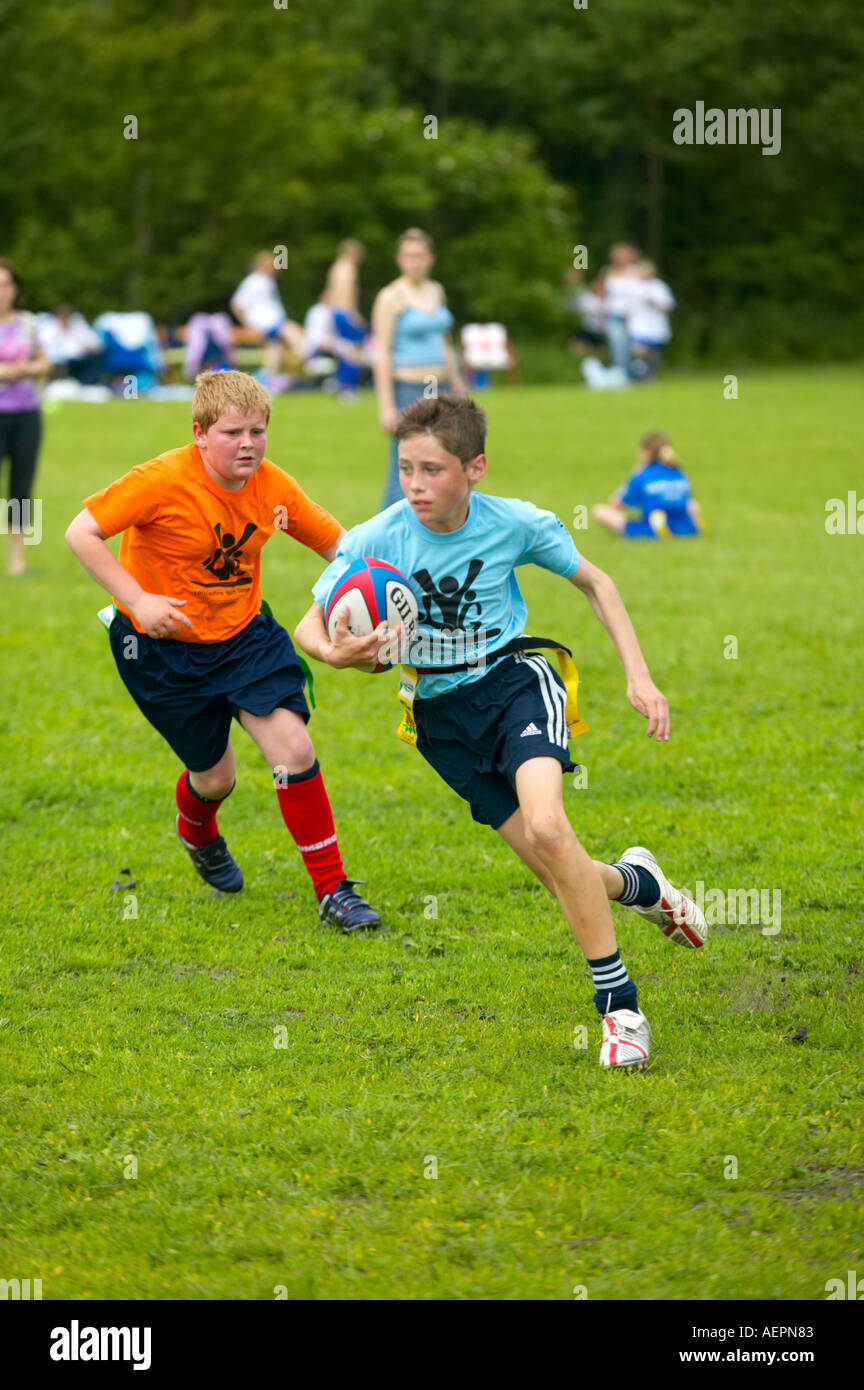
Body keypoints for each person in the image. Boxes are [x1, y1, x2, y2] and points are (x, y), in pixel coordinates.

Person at [294, 394, 708, 1070]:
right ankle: (640, 885)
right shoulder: (378, 538)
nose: (417, 486)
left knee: (551, 830)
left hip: (515, 684)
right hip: (440, 721)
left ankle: (622, 1010)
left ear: (475, 467)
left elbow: (597, 583)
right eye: (406, 469)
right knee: (560, 874)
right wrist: (338, 651)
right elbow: (307, 624)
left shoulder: (515, 523)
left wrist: (639, 676)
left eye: (433, 470)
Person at [64, 370, 380, 932]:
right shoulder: (160, 480)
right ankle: (199, 832)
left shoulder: (273, 487)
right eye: (233, 433)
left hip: (244, 638)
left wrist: (386, 595)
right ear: (200, 433)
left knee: (294, 748)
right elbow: (80, 532)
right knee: (215, 779)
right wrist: (138, 599)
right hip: (159, 649)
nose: (248, 445)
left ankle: (333, 889)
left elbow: (343, 549)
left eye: (258, 432)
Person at [371, 228, 466, 511]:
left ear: (430, 259)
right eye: (409, 256)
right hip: (407, 389)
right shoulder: (390, 297)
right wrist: (386, 405)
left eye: (420, 256)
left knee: (447, 458)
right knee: (406, 464)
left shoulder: (436, 291)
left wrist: (459, 386)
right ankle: (389, 539)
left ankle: (441, 524)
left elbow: (445, 344)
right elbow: (382, 353)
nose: (415, 262)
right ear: (400, 260)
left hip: (440, 388)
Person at [0, 258, 50, 576]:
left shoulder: (28, 324)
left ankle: (17, 563)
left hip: (26, 416)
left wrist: (26, 369)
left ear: (15, 289)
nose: (0, 292)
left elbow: (44, 362)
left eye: (5, 285)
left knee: (21, 490)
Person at [592, 430, 702, 539]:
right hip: (685, 525)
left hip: (649, 527)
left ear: (646, 452)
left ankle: (659, 524)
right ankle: (693, 525)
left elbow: (616, 503)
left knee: (599, 511)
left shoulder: (642, 473)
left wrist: (632, 475)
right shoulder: (678, 471)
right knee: (692, 504)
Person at [230, 252, 304, 375]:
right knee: (294, 333)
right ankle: (311, 360)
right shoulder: (254, 281)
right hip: (267, 322)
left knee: (275, 349)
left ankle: (266, 377)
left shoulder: (266, 281)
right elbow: (237, 304)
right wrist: (247, 324)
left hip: (269, 321)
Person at [321, 238, 367, 400]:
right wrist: (353, 313)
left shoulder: (335, 268)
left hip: (335, 312)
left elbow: (330, 293)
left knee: (344, 350)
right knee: (354, 351)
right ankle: (348, 389)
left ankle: (337, 382)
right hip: (345, 311)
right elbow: (347, 293)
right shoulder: (349, 269)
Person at [627, 261, 675, 382]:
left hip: (656, 326)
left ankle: (651, 376)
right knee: (638, 351)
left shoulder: (659, 286)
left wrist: (653, 302)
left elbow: (667, 307)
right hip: (638, 325)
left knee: (654, 354)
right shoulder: (633, 286)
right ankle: (641, 375)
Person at [37, 304, 103, 384]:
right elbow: (42, 345)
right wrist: (59, 332)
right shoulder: (49, 327)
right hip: (55, 361)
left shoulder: (78, 327)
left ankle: (87, 384)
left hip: (78, 361)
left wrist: (73, 333)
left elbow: (96, 345)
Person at [603, 243, 641, 373]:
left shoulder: (636, 272)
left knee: (634, 348)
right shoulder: (607, 271)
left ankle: (636, 375)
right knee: (617, 347)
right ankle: (619, 374)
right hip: (614, 315)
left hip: (633, 317)